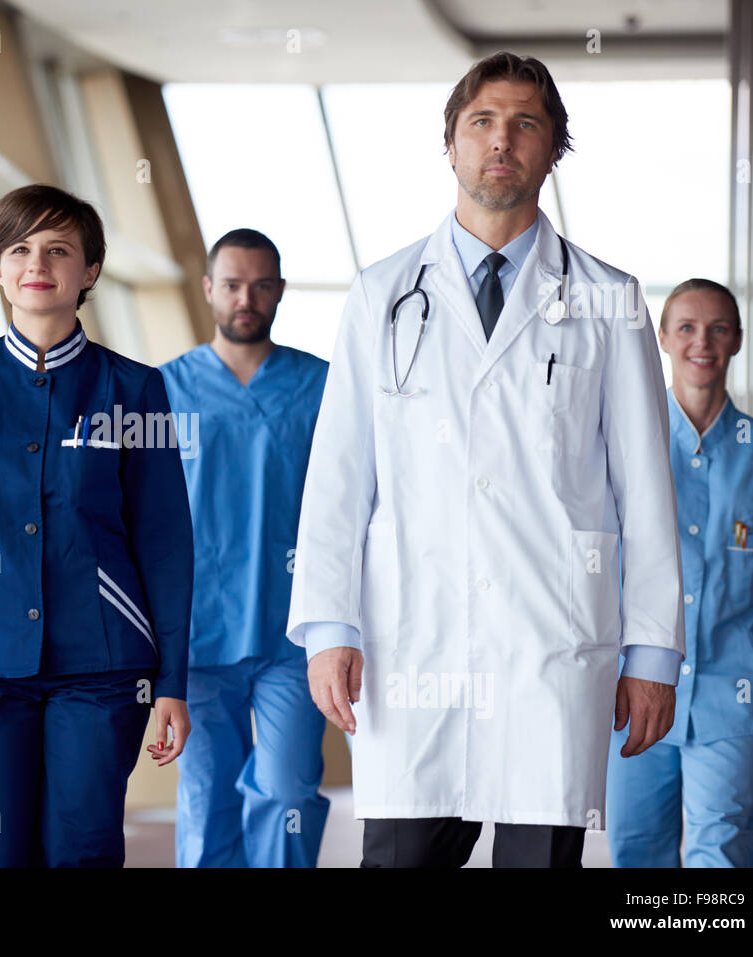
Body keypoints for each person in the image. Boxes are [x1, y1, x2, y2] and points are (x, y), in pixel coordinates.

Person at [287, 51, 686, 867]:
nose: (501, 140)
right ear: (452, 143)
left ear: (552, 149)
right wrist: (329, 626)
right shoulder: (381, 292)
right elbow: (337, 479)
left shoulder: (609, 300)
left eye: (525, 124)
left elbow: (646, 493)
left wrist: (652, 654)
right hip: (414, 640)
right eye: (483, 122)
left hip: (550, 639)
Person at [0, 184, 194, 867]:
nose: (37, 262)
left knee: (80, 851)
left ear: (88, 272)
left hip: (103, 665)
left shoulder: (134, 391)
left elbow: (166, 545)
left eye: (59, 249)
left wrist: (173, 680)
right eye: (19, 248)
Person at [605, 279, 753, 867]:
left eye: (717, 328)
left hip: (732, 693)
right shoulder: (621, 444)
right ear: (662, 338)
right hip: (630, 688)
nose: (701, 342)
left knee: (723, 845)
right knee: (636, 848)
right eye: (686, 327)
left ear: (737, 340)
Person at [160, 228, 330, 867]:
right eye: (232, 284)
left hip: (295, 635)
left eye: (261, 285)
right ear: (209, 289)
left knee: (287, 791)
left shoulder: (321, 386)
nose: (246, 298)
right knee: (207, 802)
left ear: (279, 292)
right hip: (196, 634)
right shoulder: (164, 391)